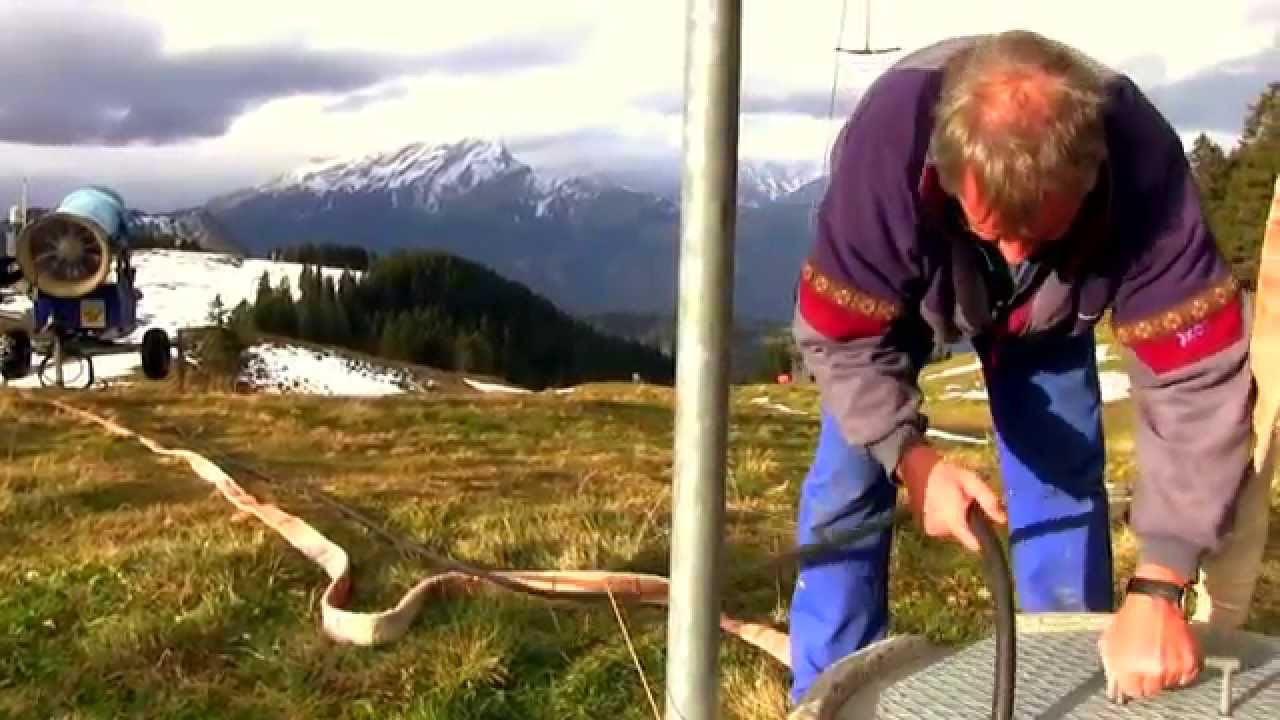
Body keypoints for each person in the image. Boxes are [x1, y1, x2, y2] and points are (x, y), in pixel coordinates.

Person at [788, 30, 1266, 706]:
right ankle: (826, 693)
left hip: (1057, 311)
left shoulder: (1143, 172)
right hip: (899, 301)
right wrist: (912, 460)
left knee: (1061, 479)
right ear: (948, 176)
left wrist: (1163, 581)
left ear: (1091, 174)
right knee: (847, 489)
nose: (1014, 257)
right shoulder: (885, 155)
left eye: (1036, 233)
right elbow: (842, 340)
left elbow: (1197, 380)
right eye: (994, 233)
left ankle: (1071, 678)